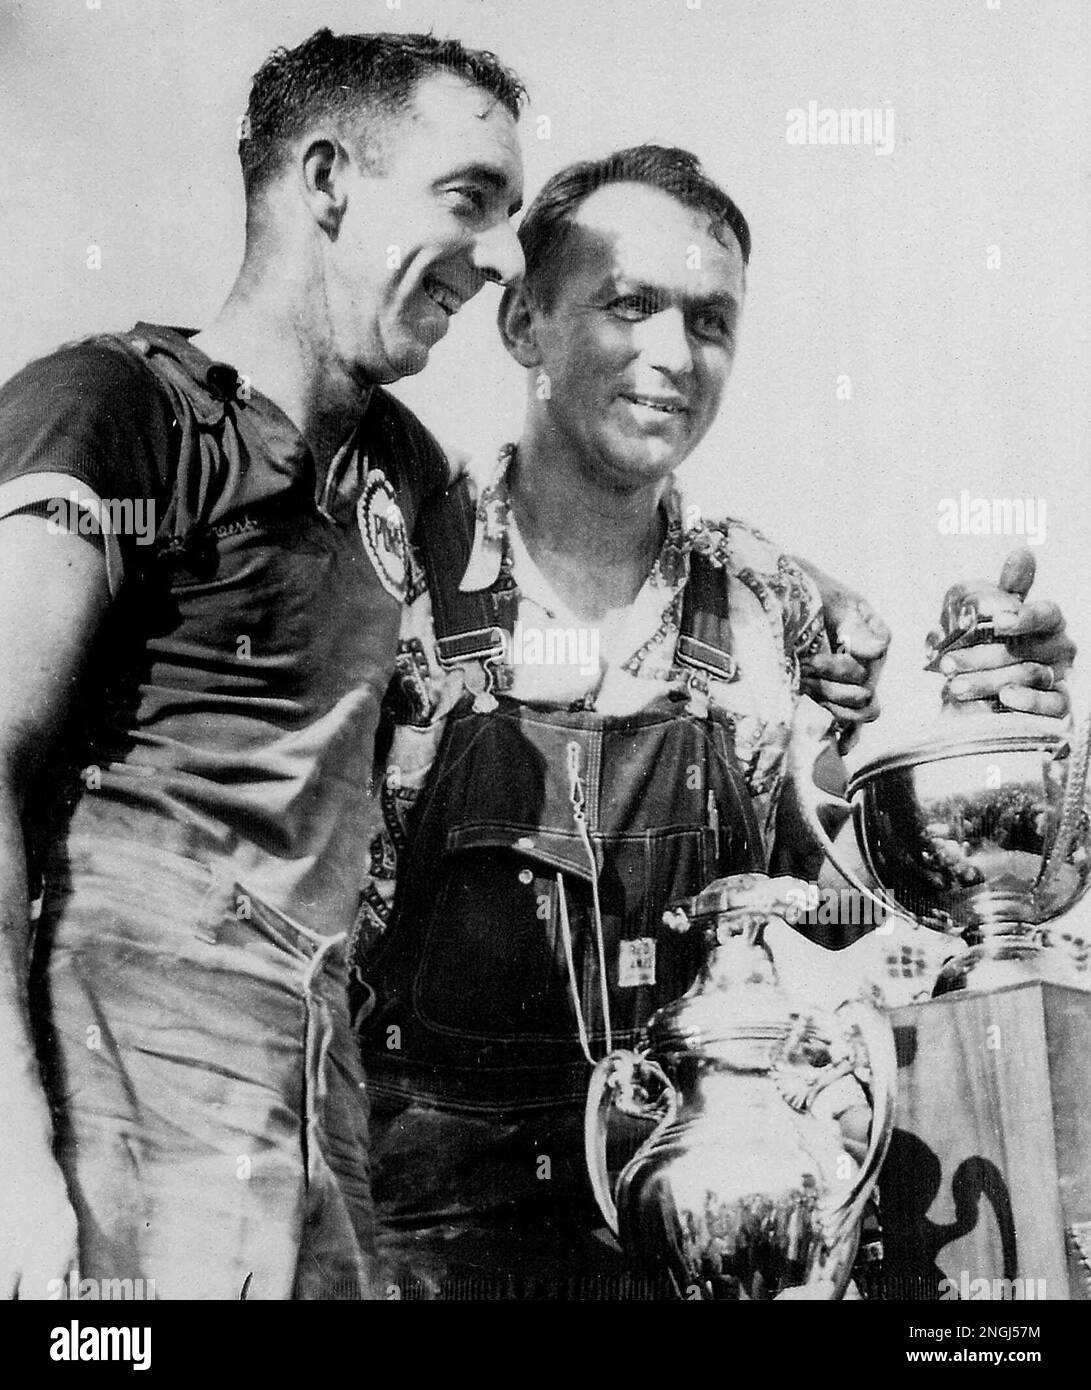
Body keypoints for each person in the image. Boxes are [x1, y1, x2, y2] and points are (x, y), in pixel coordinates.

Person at [353, 145, 1075, 1298]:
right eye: (627, 305)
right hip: (411, 1246)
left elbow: (856, 914)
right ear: (523, 326)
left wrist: (999, 743)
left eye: (709, 320)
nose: (670, 356)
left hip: (689, 1232)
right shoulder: (400, 578)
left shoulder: (763, 609)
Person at [0, 28, 527, 1300]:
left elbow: (580, 587)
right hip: (119, 1111)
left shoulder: (404, 478)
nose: (498, 258)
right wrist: (13, 1165)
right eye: (468, 200)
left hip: (317, 1124)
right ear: (330, 180)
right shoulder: (114, 408)